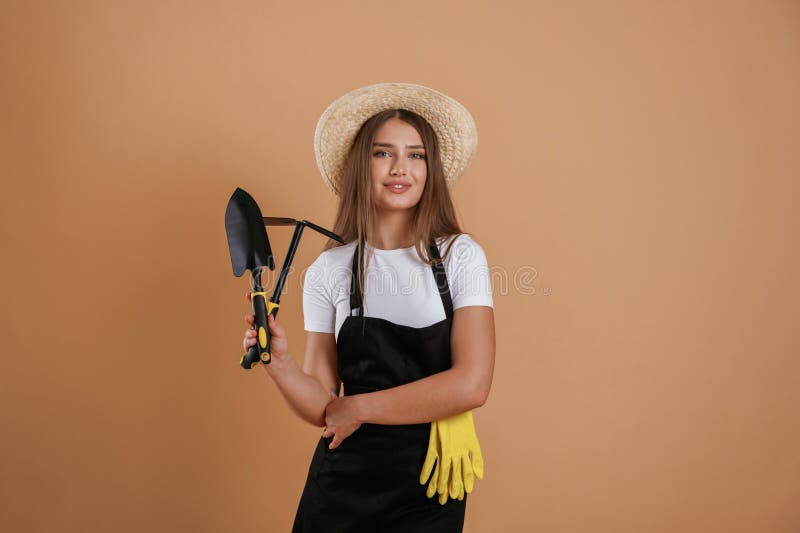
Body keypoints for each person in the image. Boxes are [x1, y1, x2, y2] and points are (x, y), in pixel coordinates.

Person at [241, 82, 495, 532]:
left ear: (430, 168)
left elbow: (471, 385)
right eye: (383, 153)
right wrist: (280, 365)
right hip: (342, 487)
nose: (401, 168)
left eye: (416, 155)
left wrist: (359, 408)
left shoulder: (459, 255)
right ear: (362, 165)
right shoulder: (329, 269)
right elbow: (324, 404)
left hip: (430, 485)